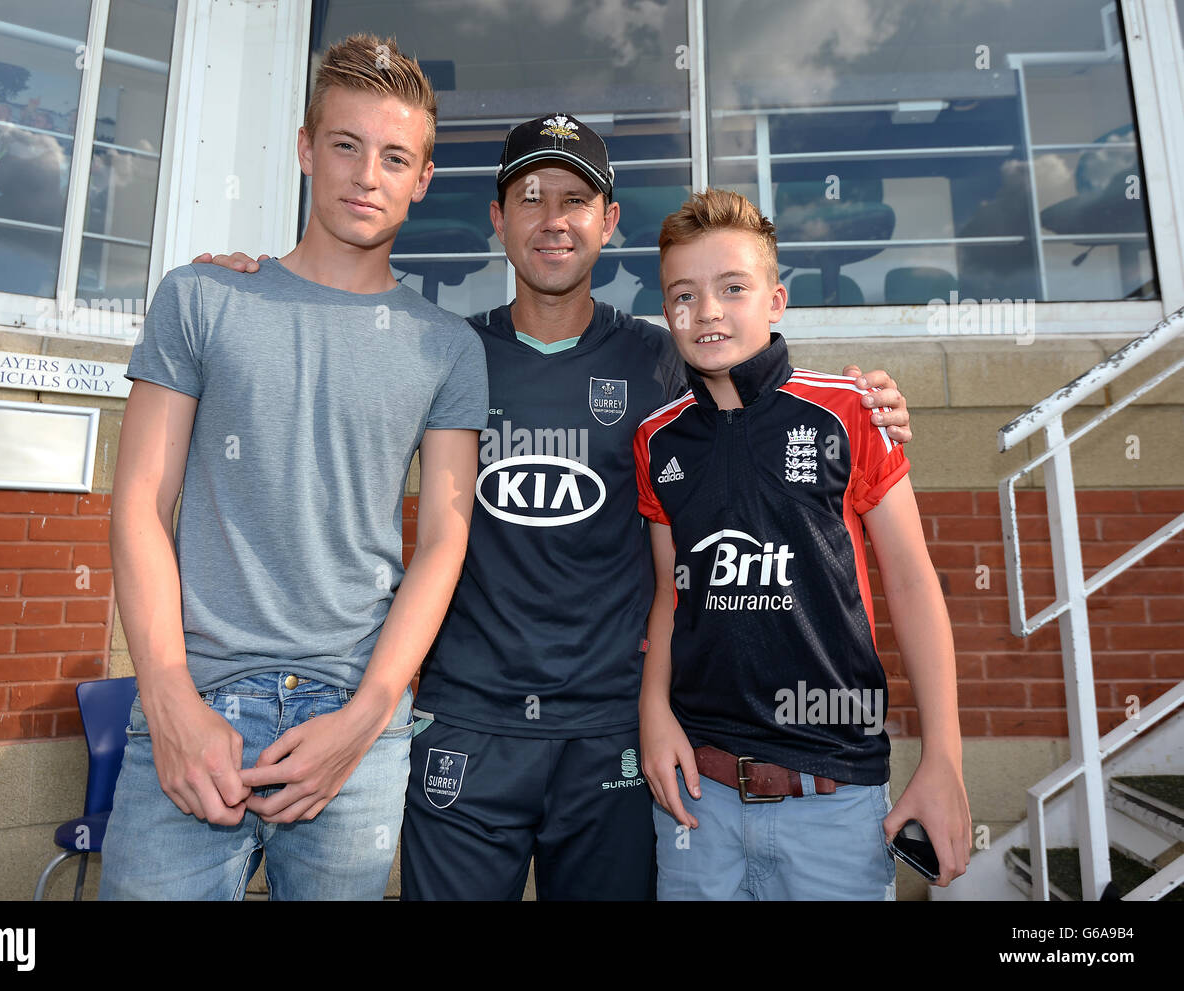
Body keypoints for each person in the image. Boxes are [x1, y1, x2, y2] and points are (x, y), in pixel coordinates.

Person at [199, 116, 912, 901]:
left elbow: (756, 379)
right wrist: (255, 284)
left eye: (576, 199)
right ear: (498, 218)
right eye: (530, 197)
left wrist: (867, 400)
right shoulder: (438, 350)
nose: (553, 219)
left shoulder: (663, 360)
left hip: (612, 733)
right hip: (464, 727)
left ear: (608, 221)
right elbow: (326, 366)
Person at [99, 34, 488, 901]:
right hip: (197, 706)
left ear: (423, 178)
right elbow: (138, 504)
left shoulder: (447, 348)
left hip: (353, 729)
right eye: (346, 145)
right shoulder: (201, 298)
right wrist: (165, 697)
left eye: (395, 157)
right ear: (307, 149)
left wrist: (367, 717)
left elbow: (443, 546)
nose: (367, 174)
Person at [634, 188, 970, 900]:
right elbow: (671, 593)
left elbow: (912, 582)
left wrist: (943, 756)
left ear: (777, 300)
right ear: (667, 311)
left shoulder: (852, 411)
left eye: (733, 287)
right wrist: (653, 712)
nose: (709, 311)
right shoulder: (656, 438)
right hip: (700, 796)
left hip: (836, 797)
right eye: (683, 295)